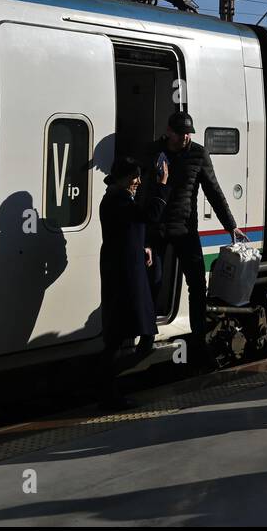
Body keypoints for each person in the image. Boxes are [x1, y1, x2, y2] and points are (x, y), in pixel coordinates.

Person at [145, 111, 247, 369]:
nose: (186, 138)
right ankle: (146, 335)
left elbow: (214, 190)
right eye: (181, 133)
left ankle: (199, 340)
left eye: (189, 133)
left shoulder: (198, 154)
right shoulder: (154, 152)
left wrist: (231, 226)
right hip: (157, 228)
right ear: (169, 132)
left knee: (197, 285)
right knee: (152, 280)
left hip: (185, 230)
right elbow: (144, 192)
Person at [97, 155, 169, 408]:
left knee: (128, 331)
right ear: (122, 178)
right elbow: (150, 215)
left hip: (127, 268)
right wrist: (162, 184)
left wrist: (142, 246)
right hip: (123, 274)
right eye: (133, 176)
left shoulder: (117, 199)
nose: (138, 181)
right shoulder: (117, 200)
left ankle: (111, 388)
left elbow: (128, 231)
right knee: (120, 335)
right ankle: (107, 390)